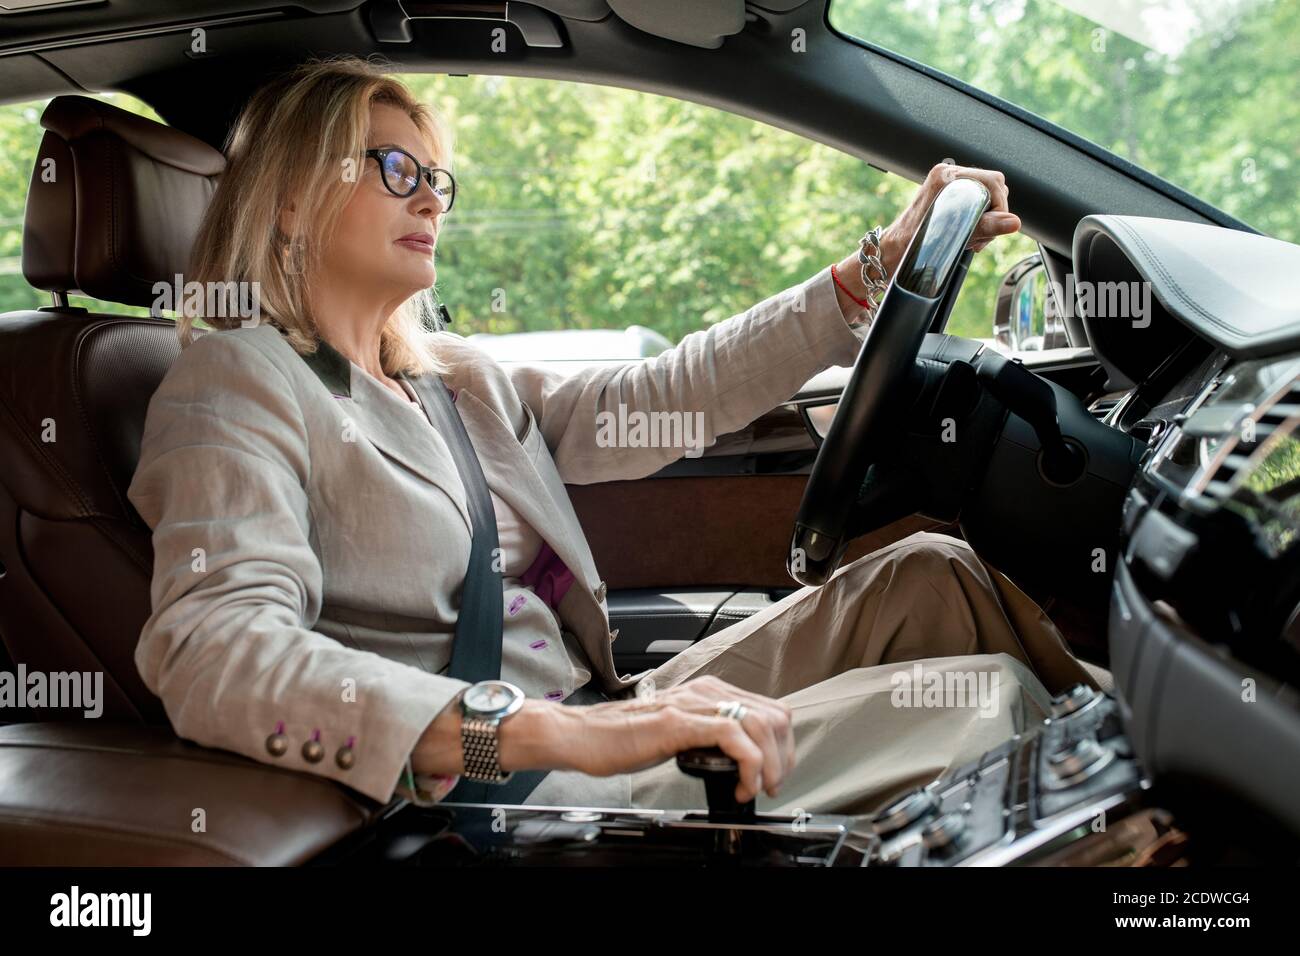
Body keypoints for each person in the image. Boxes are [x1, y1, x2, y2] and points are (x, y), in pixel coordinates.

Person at [127, 56, 1102, 828]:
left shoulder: (454, 377)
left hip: (594, 707)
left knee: (931, 576)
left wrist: (869, 271)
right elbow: (212, 649)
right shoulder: (239, 381)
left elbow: (668, 394)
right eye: (394, 169)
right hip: (515, 793)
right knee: (981, 700)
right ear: (292, 200)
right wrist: (557, 732)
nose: (430, 198)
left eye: (438, 177)